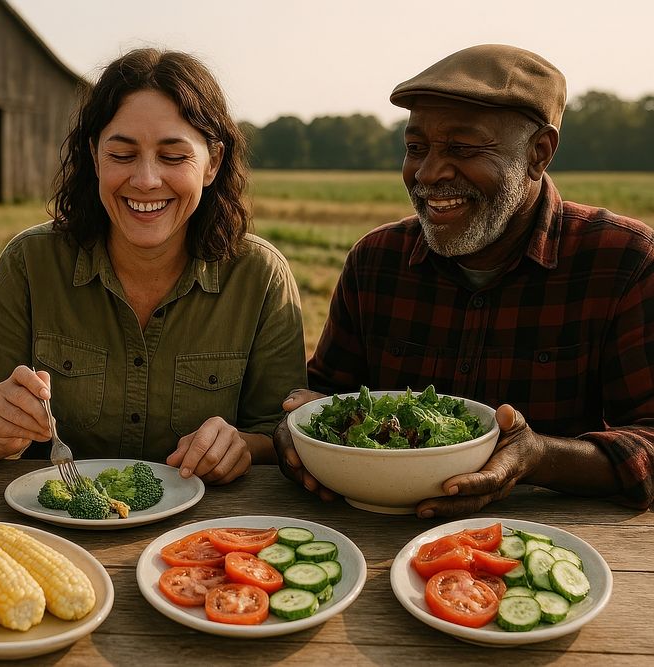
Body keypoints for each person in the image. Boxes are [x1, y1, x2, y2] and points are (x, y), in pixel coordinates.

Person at [275, 44, 654, 516]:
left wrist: (538, 458)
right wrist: (297, 424)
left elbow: (649, 438)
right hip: (375, 538)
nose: (430, 173)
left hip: (548, 547)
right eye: (416, 148)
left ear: (539, 154)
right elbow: (327, 396)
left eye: (463, 148)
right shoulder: (376, 262)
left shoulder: (622, 261)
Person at [0, 48, 305, 484]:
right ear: (94, 157)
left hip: (200, 539)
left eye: (173, 156)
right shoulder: (31, 262)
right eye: (122, 155)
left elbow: (282, 434)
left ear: (213, 163)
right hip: (52, 531)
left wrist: (241, 445)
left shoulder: (261, 277)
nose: (146, 179)